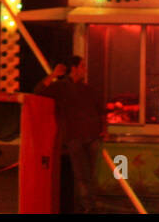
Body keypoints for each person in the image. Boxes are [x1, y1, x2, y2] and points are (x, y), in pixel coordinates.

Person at [35, 56, 106, 213]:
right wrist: (54, 75)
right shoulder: (61, 87)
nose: (84, 70)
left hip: (93, 136)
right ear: (74, 68)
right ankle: (88, 207)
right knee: (82, 175)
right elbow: (39, 91)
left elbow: (101, 111)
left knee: (92, 175)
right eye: (82, 66)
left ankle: (90, 205)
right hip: (75, 138)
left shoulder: (88, 89)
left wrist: (103, 131)